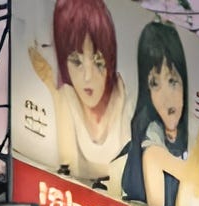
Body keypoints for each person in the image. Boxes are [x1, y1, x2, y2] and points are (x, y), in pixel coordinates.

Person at [27, 0, 130, 190]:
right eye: (76, 61)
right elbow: (68, 168)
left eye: (98, 62)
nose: (88, 76)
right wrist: (55, 90)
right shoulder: (67, 95)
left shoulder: (123, 97)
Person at [120, 18, 199, 206]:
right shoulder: (151, 134)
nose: (166, 97)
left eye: (172, 81)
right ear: (147, 90)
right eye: (155, 84)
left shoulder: (190, 136)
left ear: (184, 82)